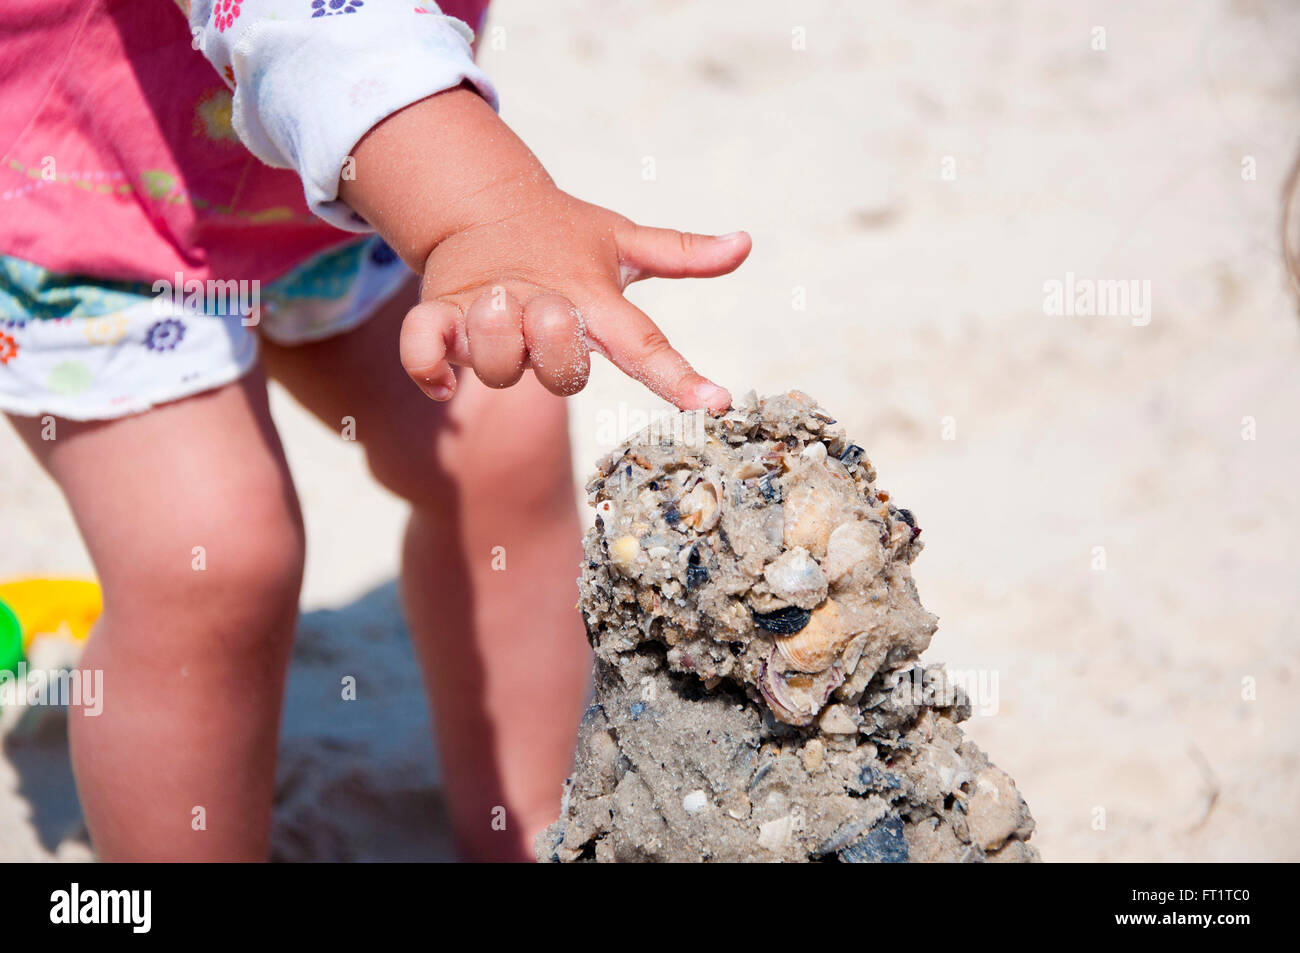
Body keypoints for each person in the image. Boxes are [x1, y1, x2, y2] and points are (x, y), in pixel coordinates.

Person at [0, 0, 750, 860]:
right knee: (212, 560)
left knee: (502, 442)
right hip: (94, 209)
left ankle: (533, 817)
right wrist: (484, 215)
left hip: (339, 180)